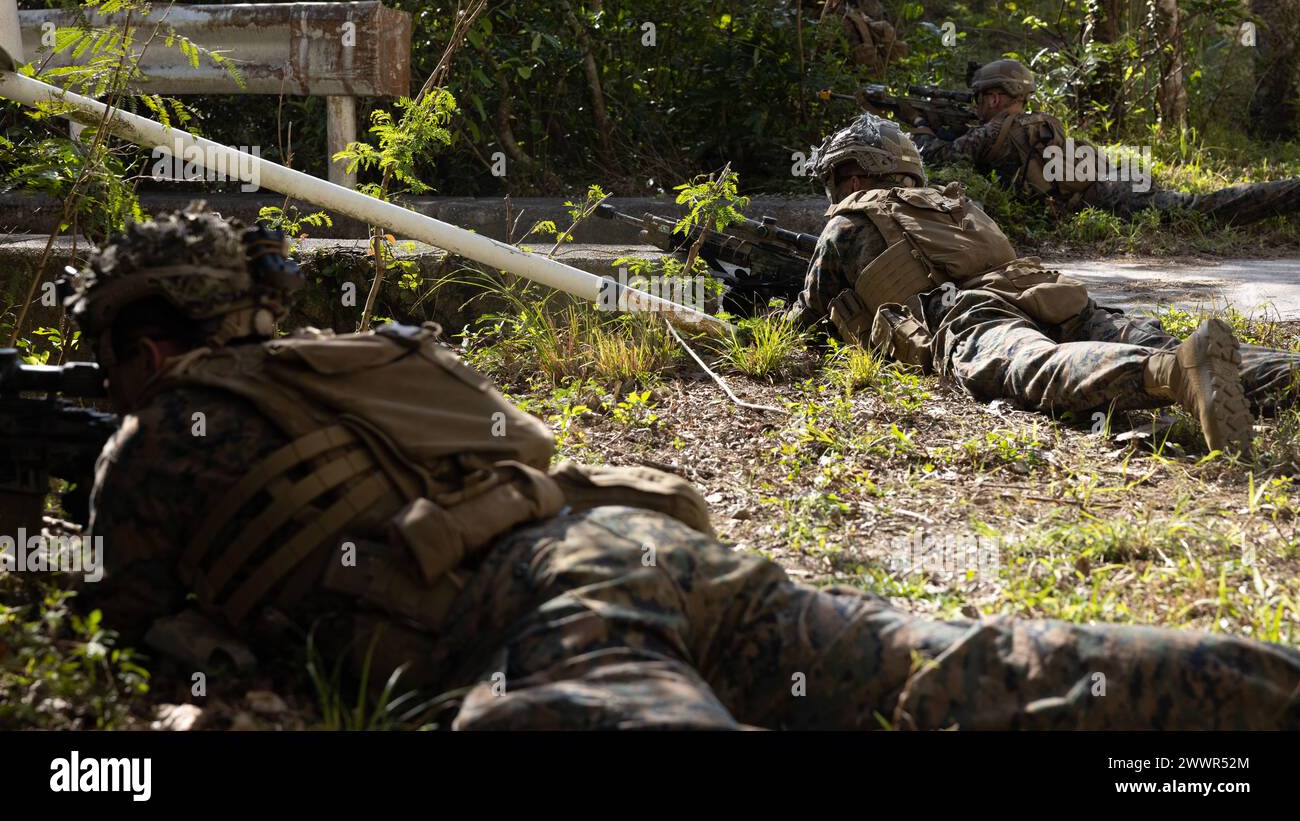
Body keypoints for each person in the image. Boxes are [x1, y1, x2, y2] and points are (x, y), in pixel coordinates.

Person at [69, 205, 1300, 729]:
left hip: (539, 623)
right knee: (960, 669)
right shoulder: (363, 361)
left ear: (150, 341)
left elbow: (123, 629)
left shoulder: (150, 446)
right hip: (655, 553)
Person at [786, 114, 1300, 452]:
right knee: (1138, 331)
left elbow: (805, 322)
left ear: (852, 176)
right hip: (1039, 288)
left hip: (967, 311)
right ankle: (1281, 374)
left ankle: (1174, 373)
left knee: (1029, 365)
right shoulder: (956, 201)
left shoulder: (849, 222)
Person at [900, 58, 1300, 225]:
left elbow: (935, 156)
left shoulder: (991, 131)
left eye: (980, 97)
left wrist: (918, 124)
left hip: (1107, 191)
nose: (978, 105)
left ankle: (1290, 193)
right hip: (1109, 173)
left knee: (1200, 208)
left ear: (994, 97)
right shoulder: (1028, 121)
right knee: (1194, 205)